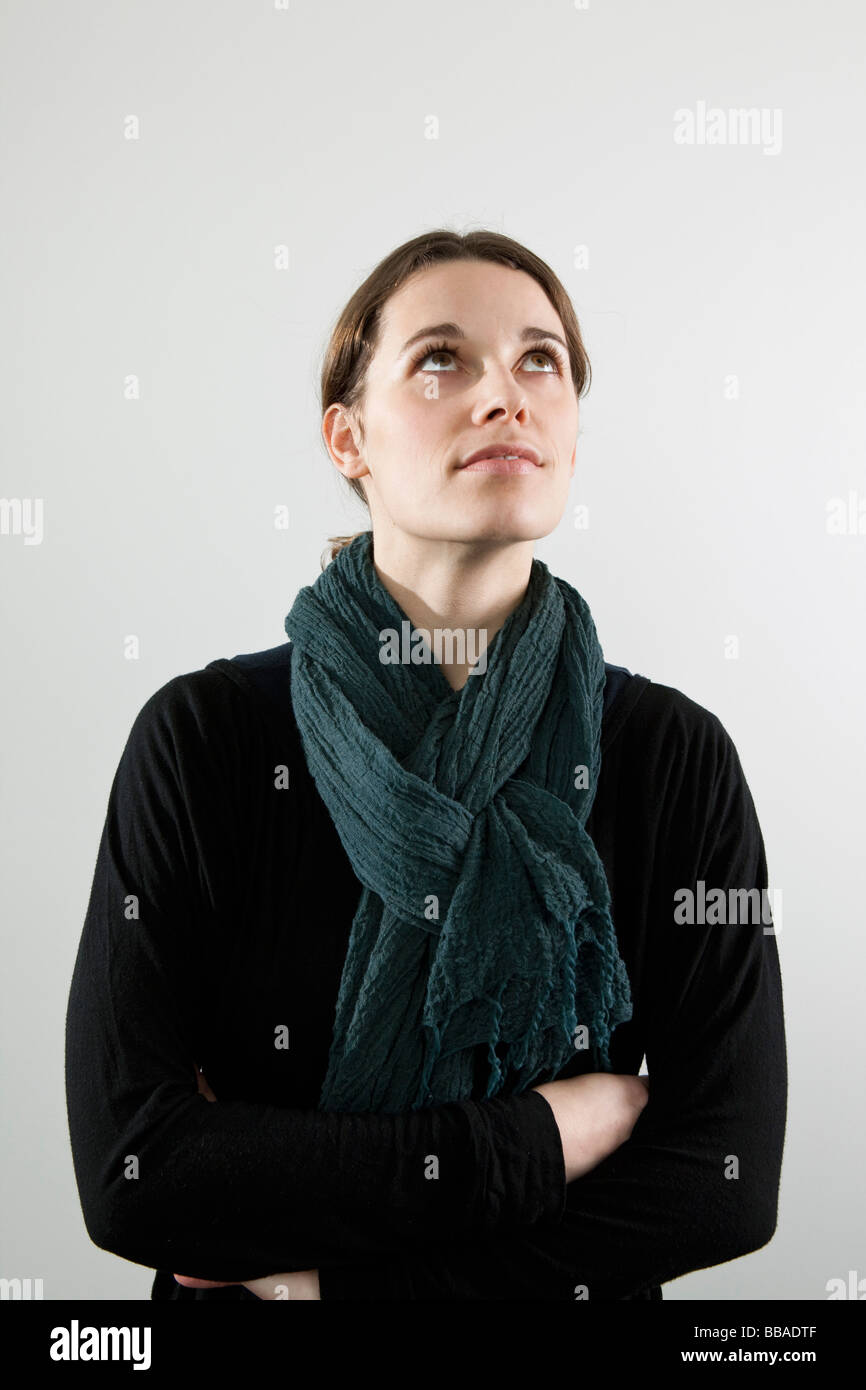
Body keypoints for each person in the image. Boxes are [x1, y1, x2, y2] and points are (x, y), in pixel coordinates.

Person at [65, 228, 787, 1301]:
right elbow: (138, 1173)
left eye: (540, 360)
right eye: (441, 358)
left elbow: (722, 1179)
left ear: (572, 436)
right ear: (346, 438)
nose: (505, 393)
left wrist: (332, 1283)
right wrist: (543, 1137)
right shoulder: (205, 738)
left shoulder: (671, 756)